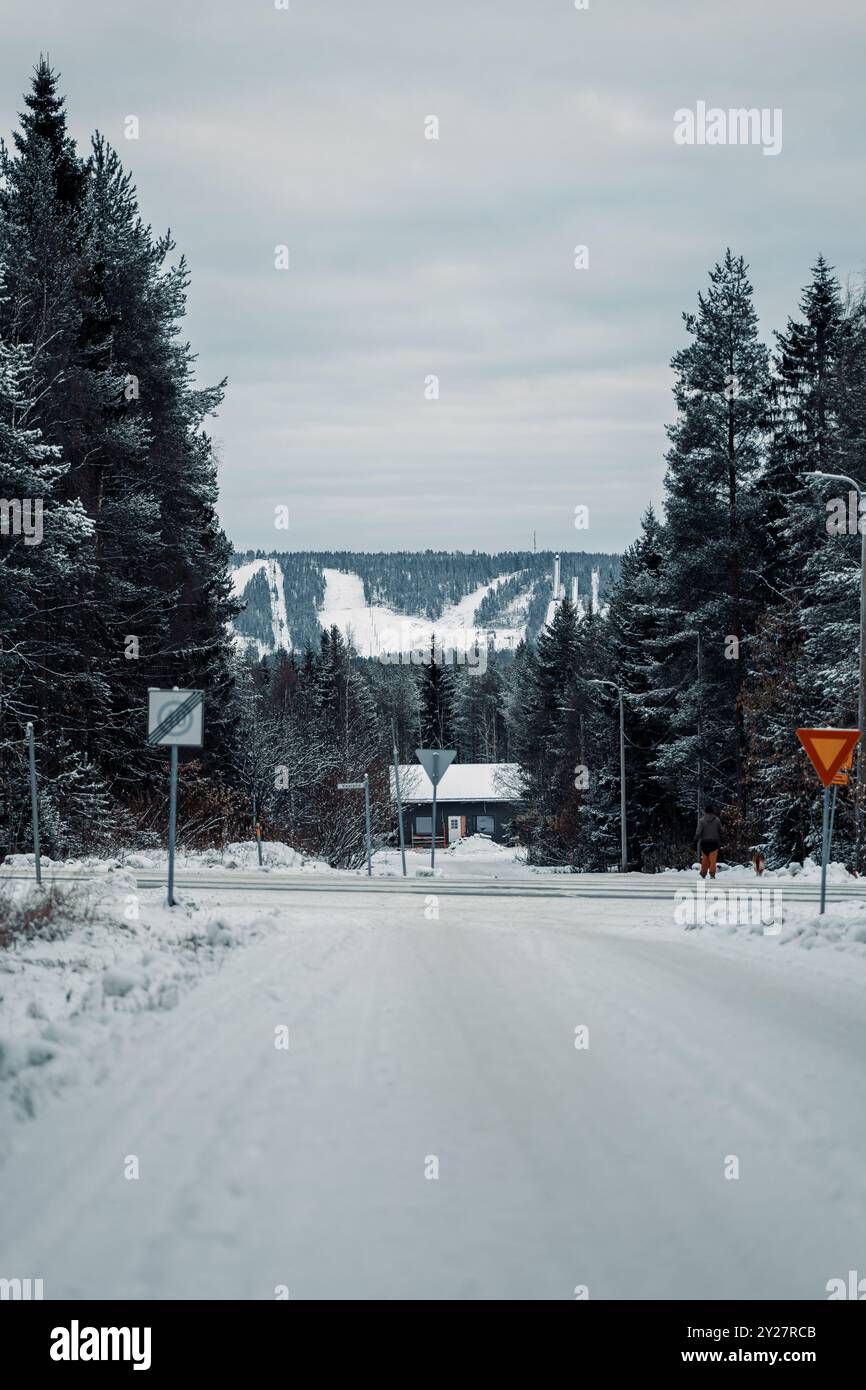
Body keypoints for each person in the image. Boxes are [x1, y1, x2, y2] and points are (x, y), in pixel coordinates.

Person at [695, 804, 723, 879]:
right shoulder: (717, 820)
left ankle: (703, 873)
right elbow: (721, 830)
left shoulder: (701, 820)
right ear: (712, 811)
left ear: (705, 811)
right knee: (713, 860)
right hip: (714, 842)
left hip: (704, 843)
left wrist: (696, 840)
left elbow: (698, 832)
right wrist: (721, 838)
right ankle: (712, 873)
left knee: (705, 859)